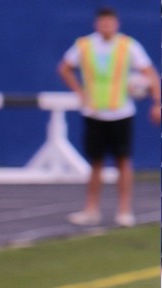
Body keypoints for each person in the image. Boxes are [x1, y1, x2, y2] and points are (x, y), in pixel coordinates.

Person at [59, 6, 160, 227]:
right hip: (94, 112)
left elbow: (151, 74)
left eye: (110, 23)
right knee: (95, 162)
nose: (106, 27)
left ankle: (124, 211)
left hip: (120, 112)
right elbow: (64, 68)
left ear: (117, 24)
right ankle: (91, 209)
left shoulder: (128, 46)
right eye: (103, 23)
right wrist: (79, 92)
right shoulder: (84, 45)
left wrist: (156, 102)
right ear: (97, 24)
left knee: (123, 161)